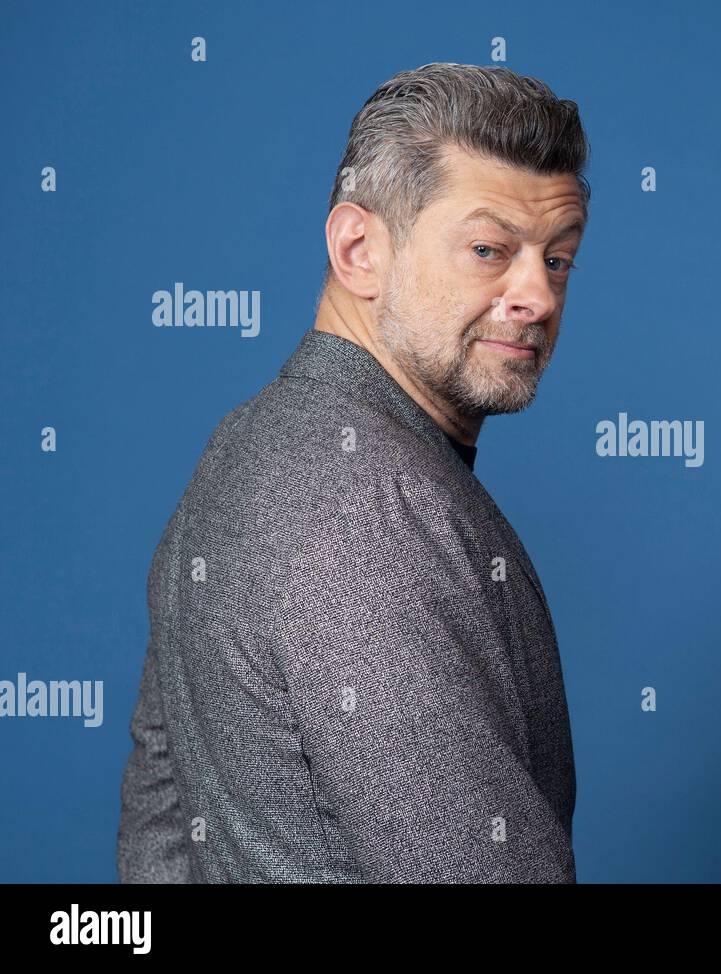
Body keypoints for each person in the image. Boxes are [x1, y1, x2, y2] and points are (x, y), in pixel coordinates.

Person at [117, 63, 589, 882]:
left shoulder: (240, 450)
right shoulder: (365, 500)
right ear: (359, 250)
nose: (538, 295)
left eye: (558, 259)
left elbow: (159, 845)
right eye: (489, 250)